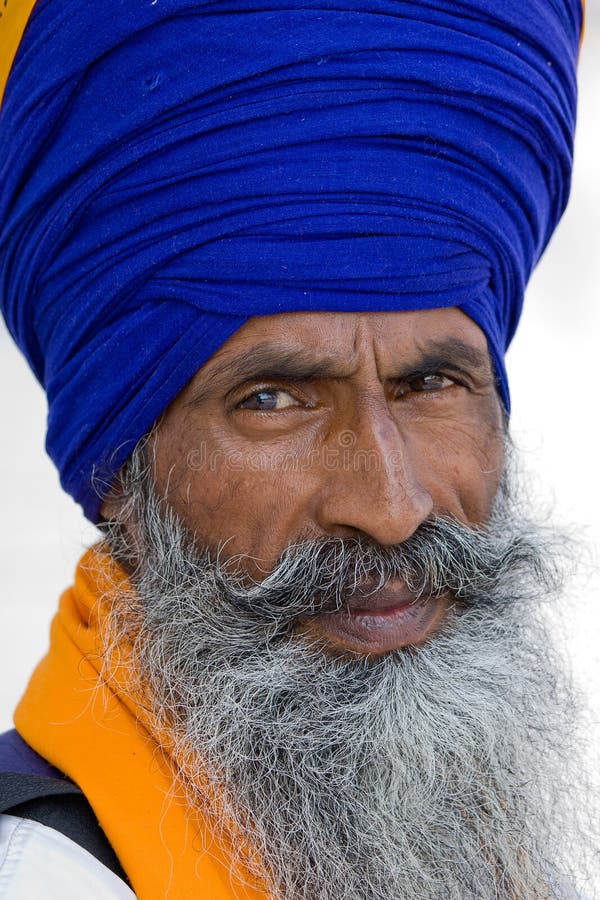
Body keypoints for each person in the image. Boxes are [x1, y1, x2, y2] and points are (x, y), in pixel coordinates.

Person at [0, 0, 597, 898]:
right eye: (273, 400)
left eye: (432, 384)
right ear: (119, 474)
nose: (393, 509)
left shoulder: (500, 850)